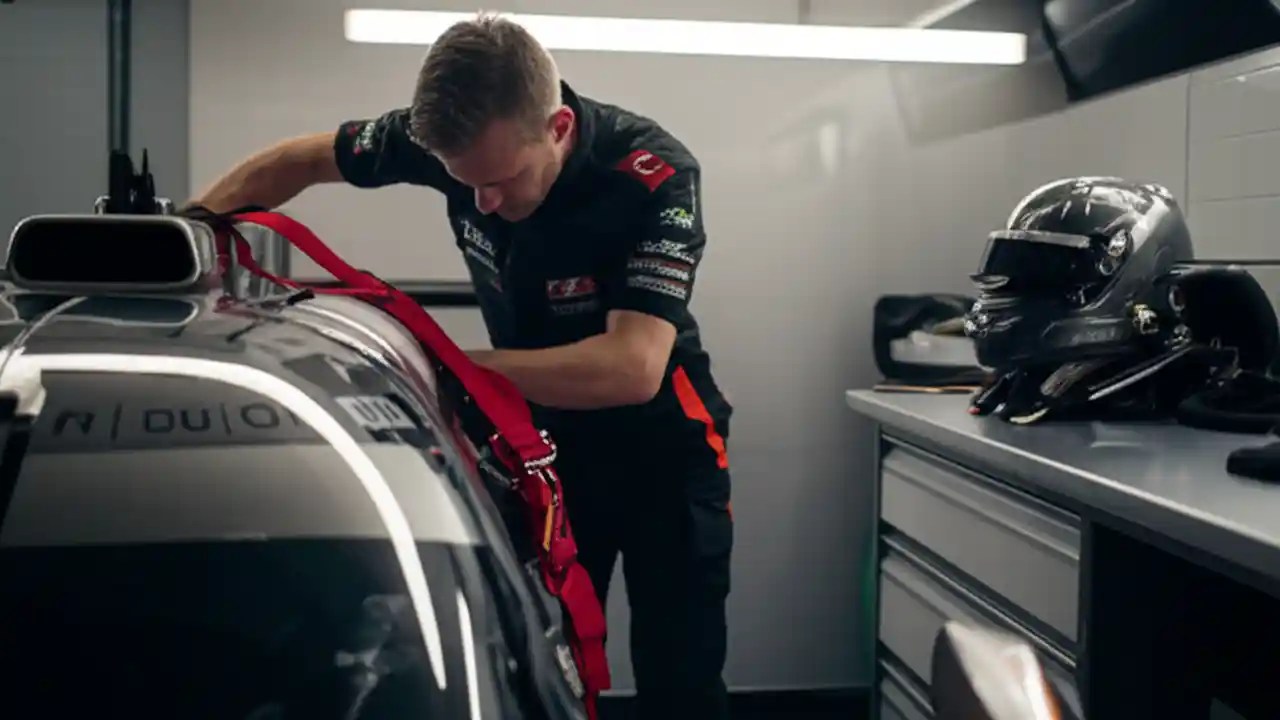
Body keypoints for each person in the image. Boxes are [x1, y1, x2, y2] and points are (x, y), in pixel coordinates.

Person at [189, 12, 734, 719]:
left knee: (679, 680)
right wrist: (186, 232)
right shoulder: (438, 139)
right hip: (546, 450)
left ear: (559, 127)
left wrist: (439, 364)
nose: (485, 203)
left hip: (665, 452)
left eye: (503, 179)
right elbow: (297, 160)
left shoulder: (651, 174)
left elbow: (631, 369)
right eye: (463, 182)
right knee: (546, 663)